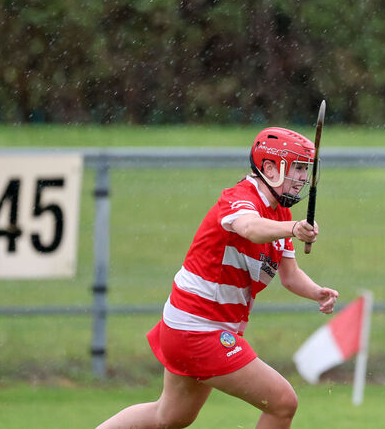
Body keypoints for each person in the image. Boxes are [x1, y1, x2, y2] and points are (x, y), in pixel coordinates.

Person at [98, 127, 339, 429]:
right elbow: (250, 228)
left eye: (305, 169)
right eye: (298, 168)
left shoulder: (280, 215)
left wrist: (316, 292)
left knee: (170, 417)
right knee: (282, 402)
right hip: (198, 328)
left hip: (197, 326)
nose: (303, 177)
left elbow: (290, 276)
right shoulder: (240, 198)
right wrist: (293, 230)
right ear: (269, 168)